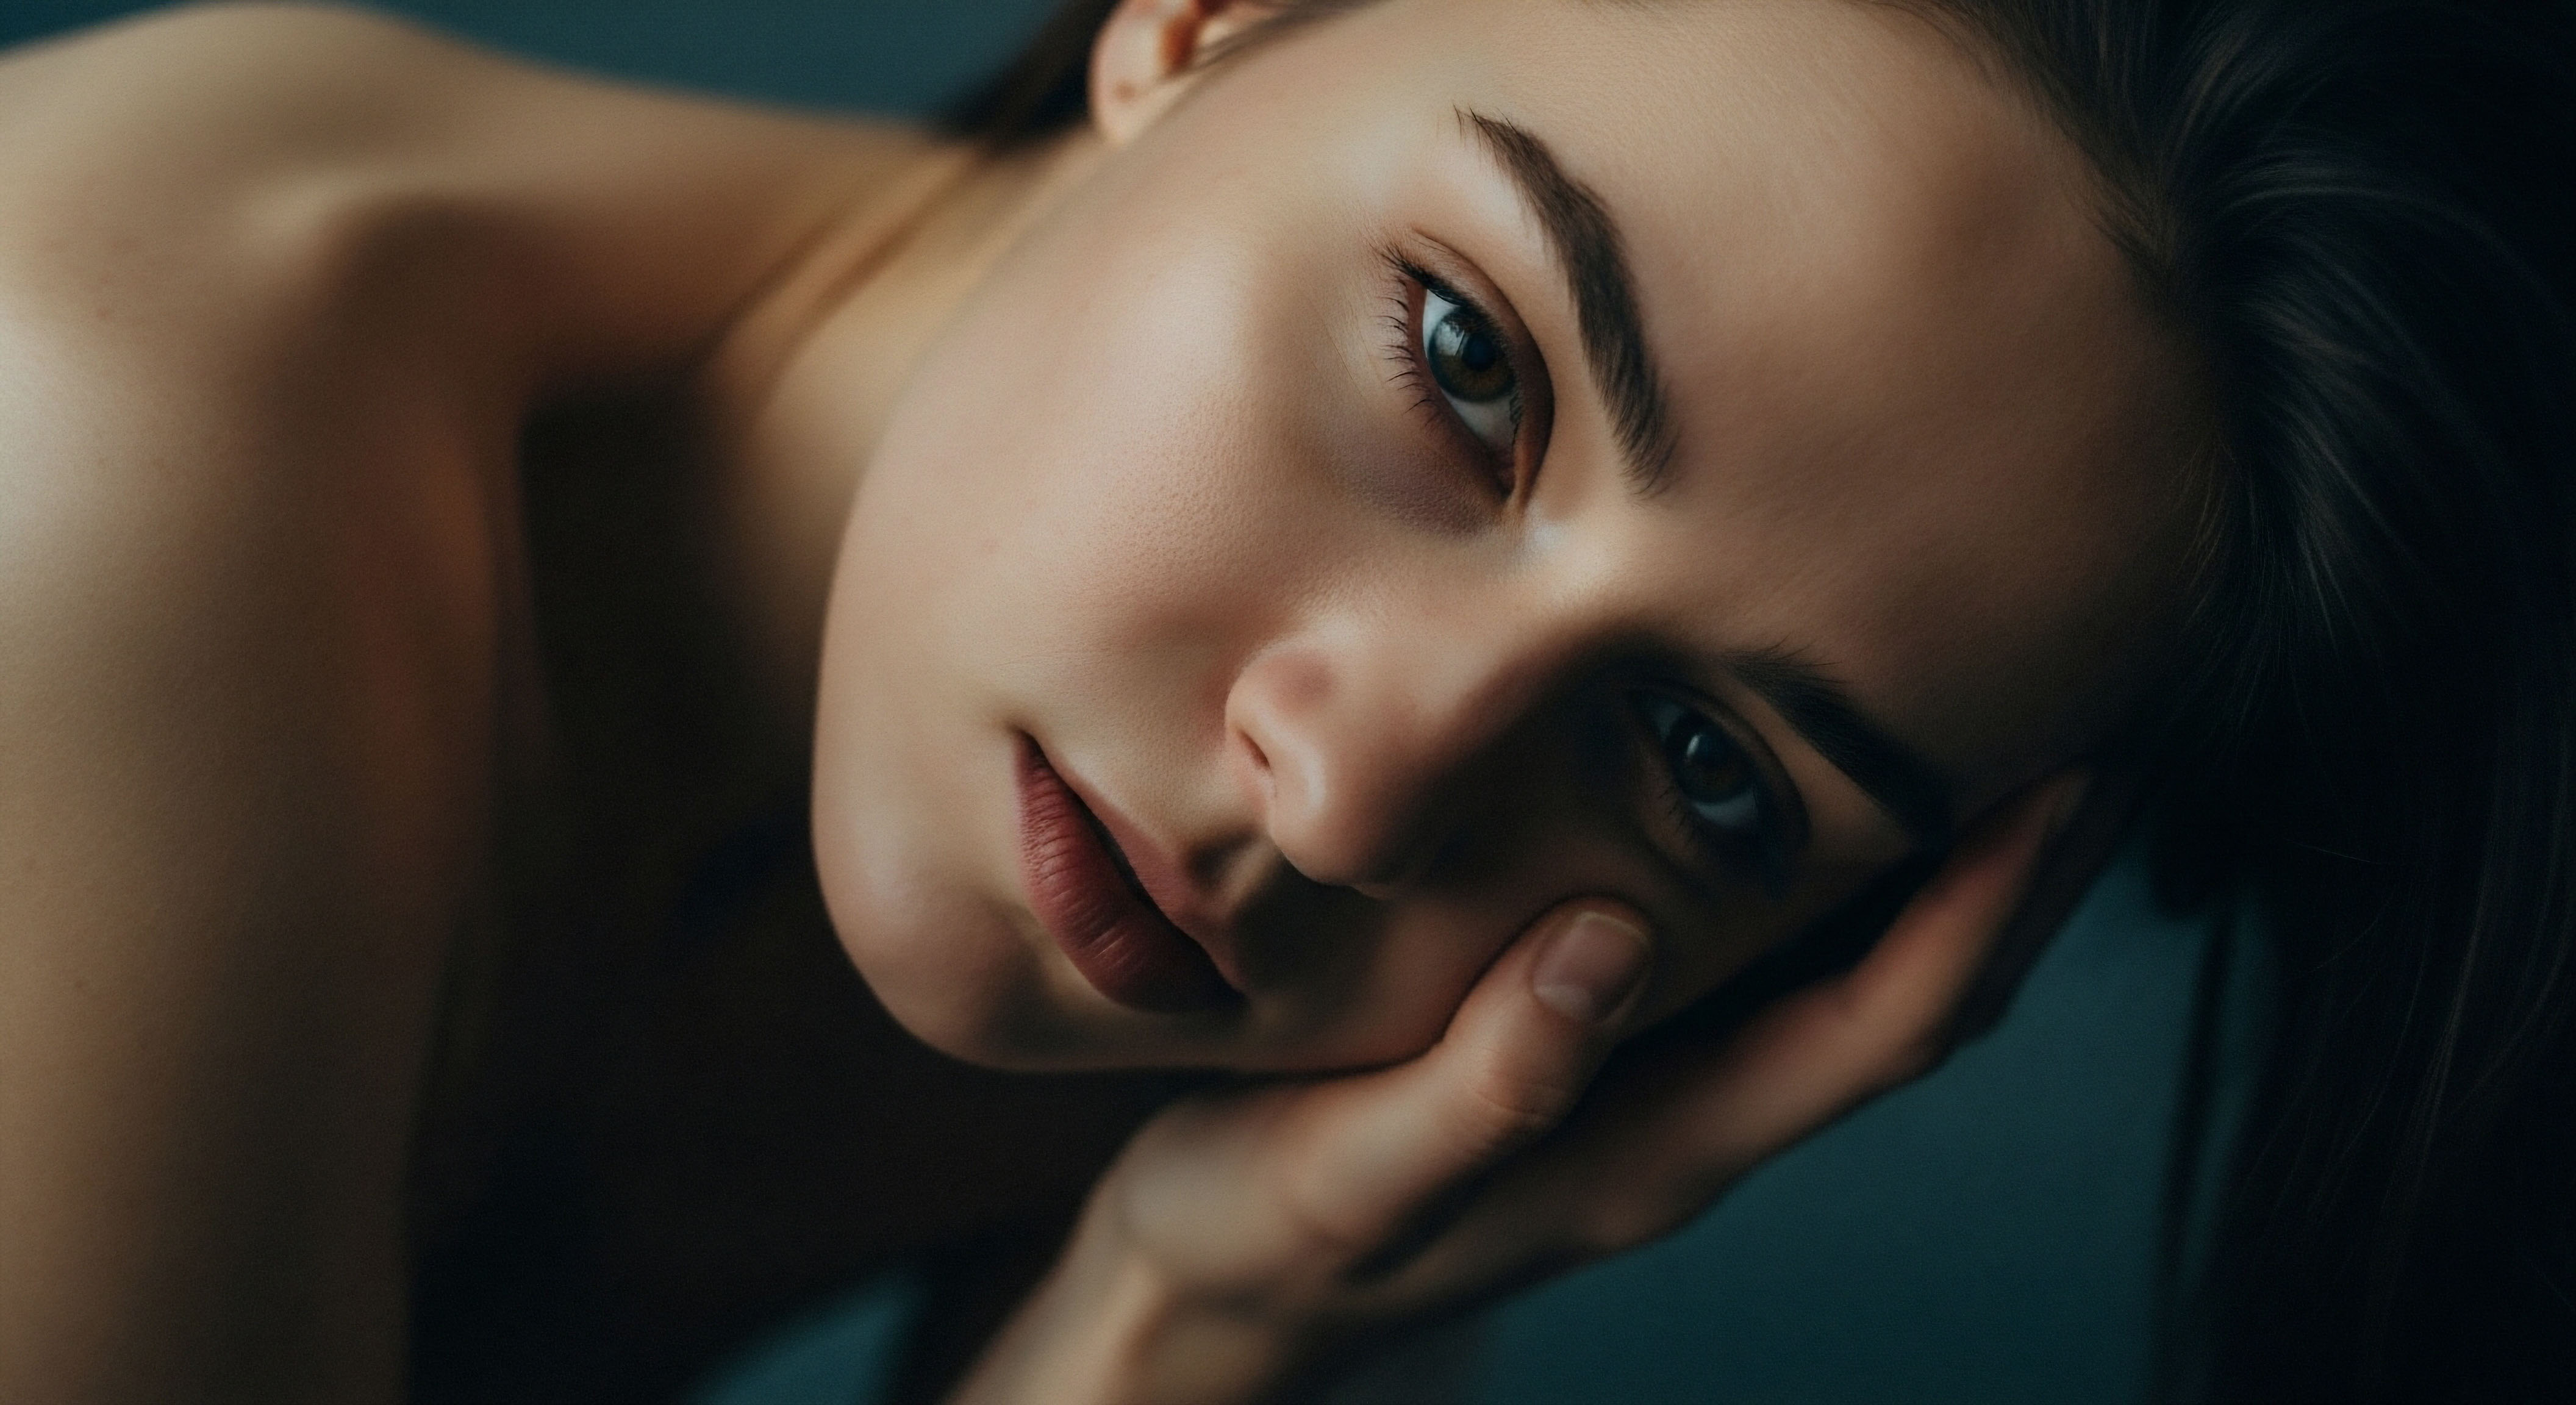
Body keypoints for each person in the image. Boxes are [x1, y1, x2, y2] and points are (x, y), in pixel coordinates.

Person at [0, 1, 2564, 1403]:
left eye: (1704, 768)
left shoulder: (1191, 964)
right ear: (1215, 23)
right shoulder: (104, 440)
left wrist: (1216, 1317)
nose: (1349, 790)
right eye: (1469, 357)